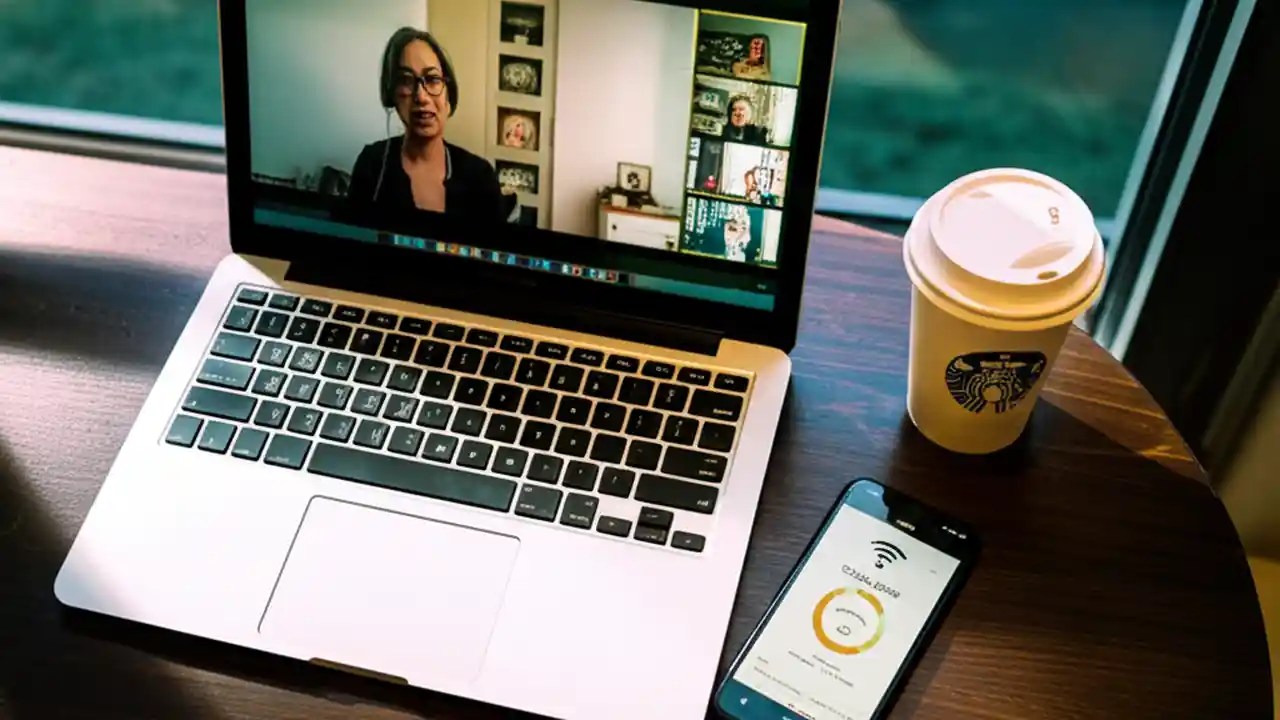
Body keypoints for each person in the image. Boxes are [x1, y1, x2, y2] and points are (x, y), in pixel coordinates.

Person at [348, 27, 504, 221]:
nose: (421, 96)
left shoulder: (480, 177)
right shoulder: (373, 164)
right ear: (392, 95)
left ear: (449, 93)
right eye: (406, 80)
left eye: (432, 79)